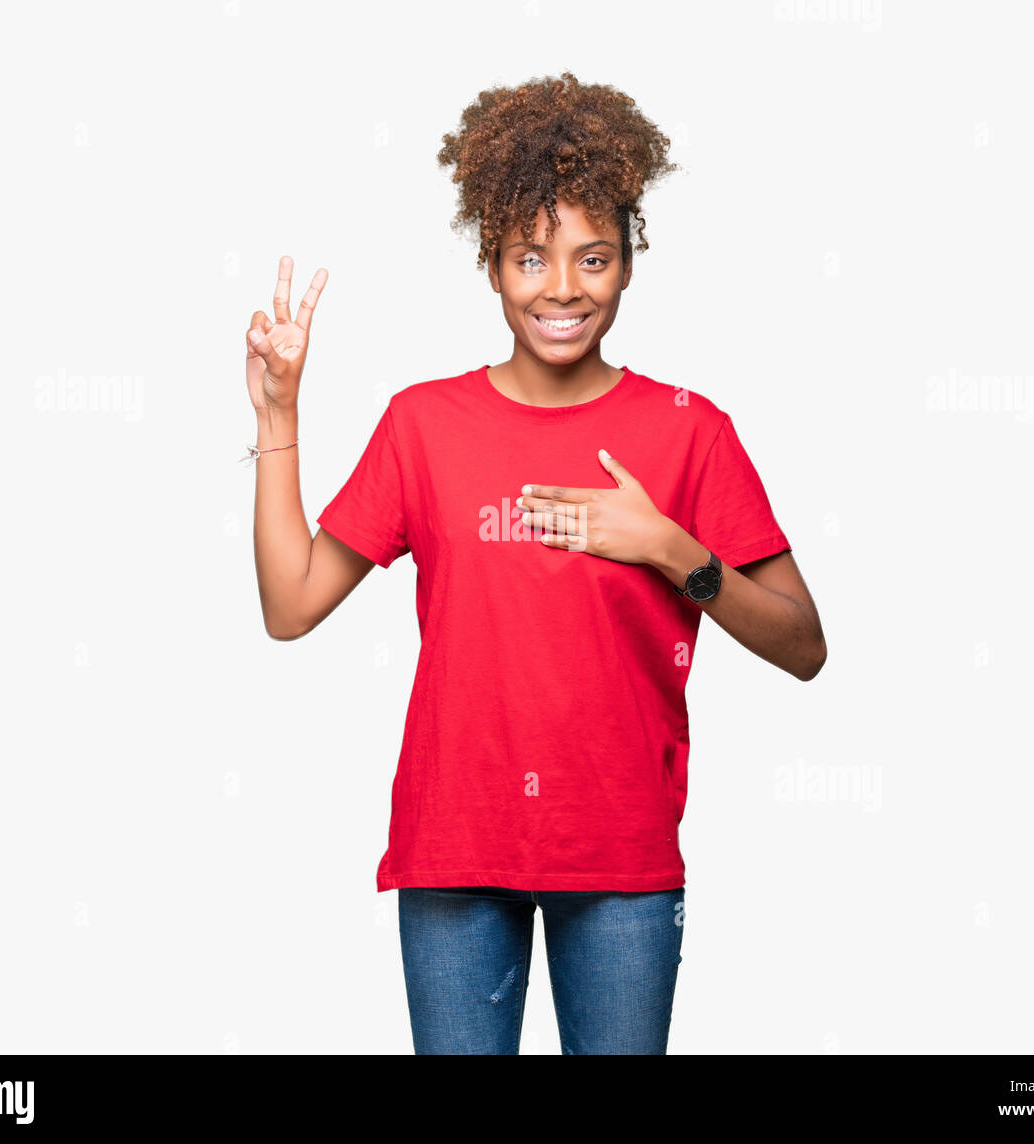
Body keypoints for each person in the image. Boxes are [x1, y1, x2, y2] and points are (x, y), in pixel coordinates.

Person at [242, 71, 826, 1054]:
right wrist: (278, 417)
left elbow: (804, 645)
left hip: (623, 857)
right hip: (455, 847)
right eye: (529, 258)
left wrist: (672, 549)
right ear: (491, 263)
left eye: (592, 258)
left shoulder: (690, 432)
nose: (561, 289)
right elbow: (291, 604)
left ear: (629, 263)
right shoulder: (424, 423)